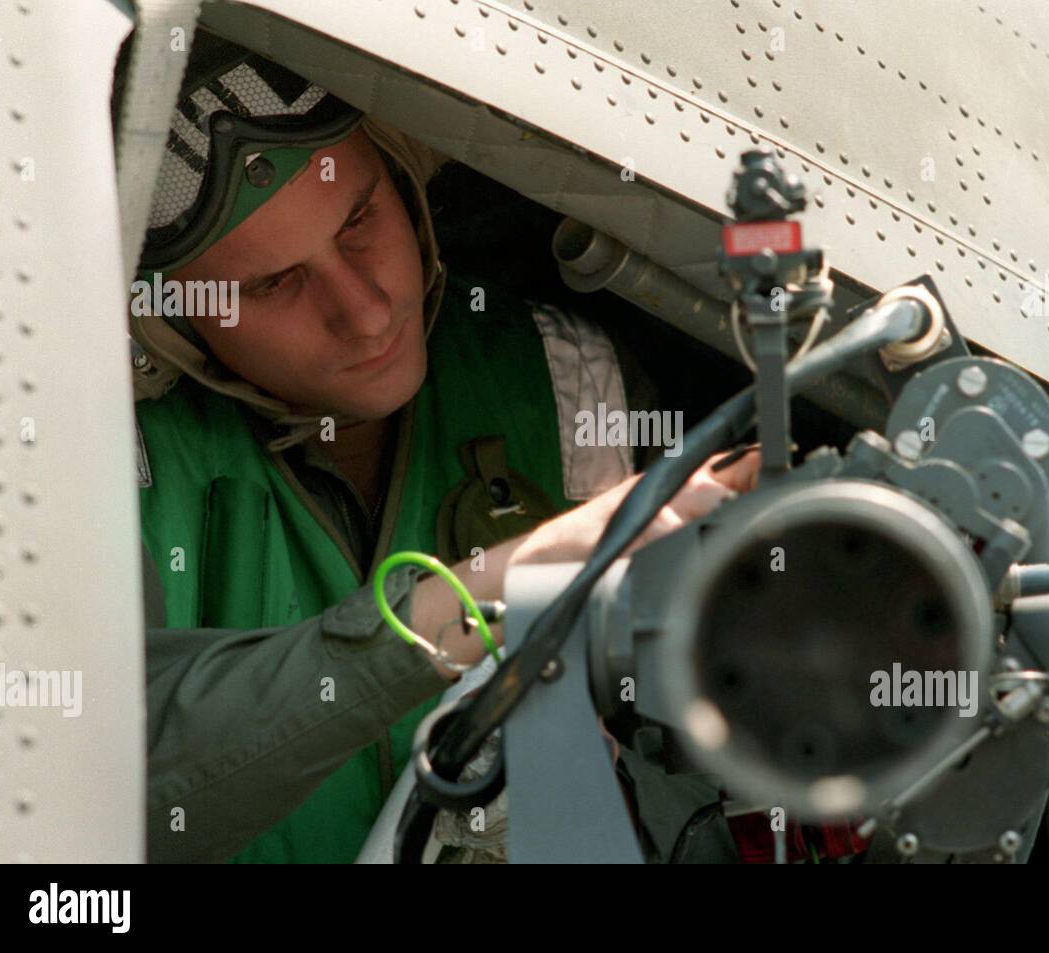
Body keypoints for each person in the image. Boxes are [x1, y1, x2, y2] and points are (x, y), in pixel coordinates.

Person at [126, 32, 759, 863]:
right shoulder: (109, 472)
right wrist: (479, 594)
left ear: (402, 182)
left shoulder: (562, 378)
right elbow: (110, 797)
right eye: (273, 284)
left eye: (360, 221)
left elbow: (715, 764)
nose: (364, 310)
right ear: (174, 328)